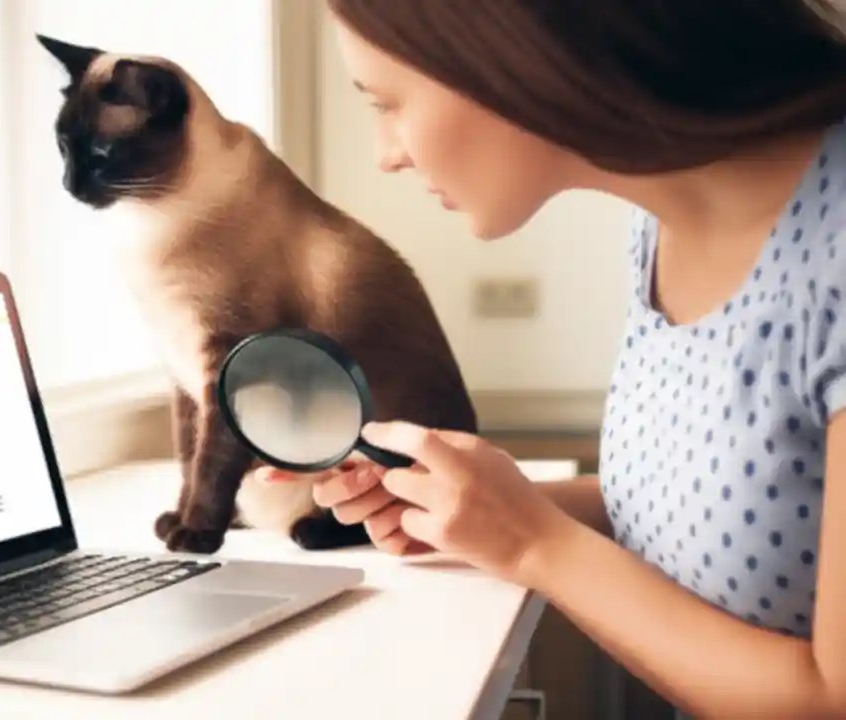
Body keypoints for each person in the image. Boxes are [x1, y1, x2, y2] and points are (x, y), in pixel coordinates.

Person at [262, 1, 846, 717]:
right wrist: (466, 508)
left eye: (387, 104)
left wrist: (534, 544)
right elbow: (723, 505)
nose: (386, 153)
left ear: (509, 51)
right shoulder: (659, 230)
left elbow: (830, 698)